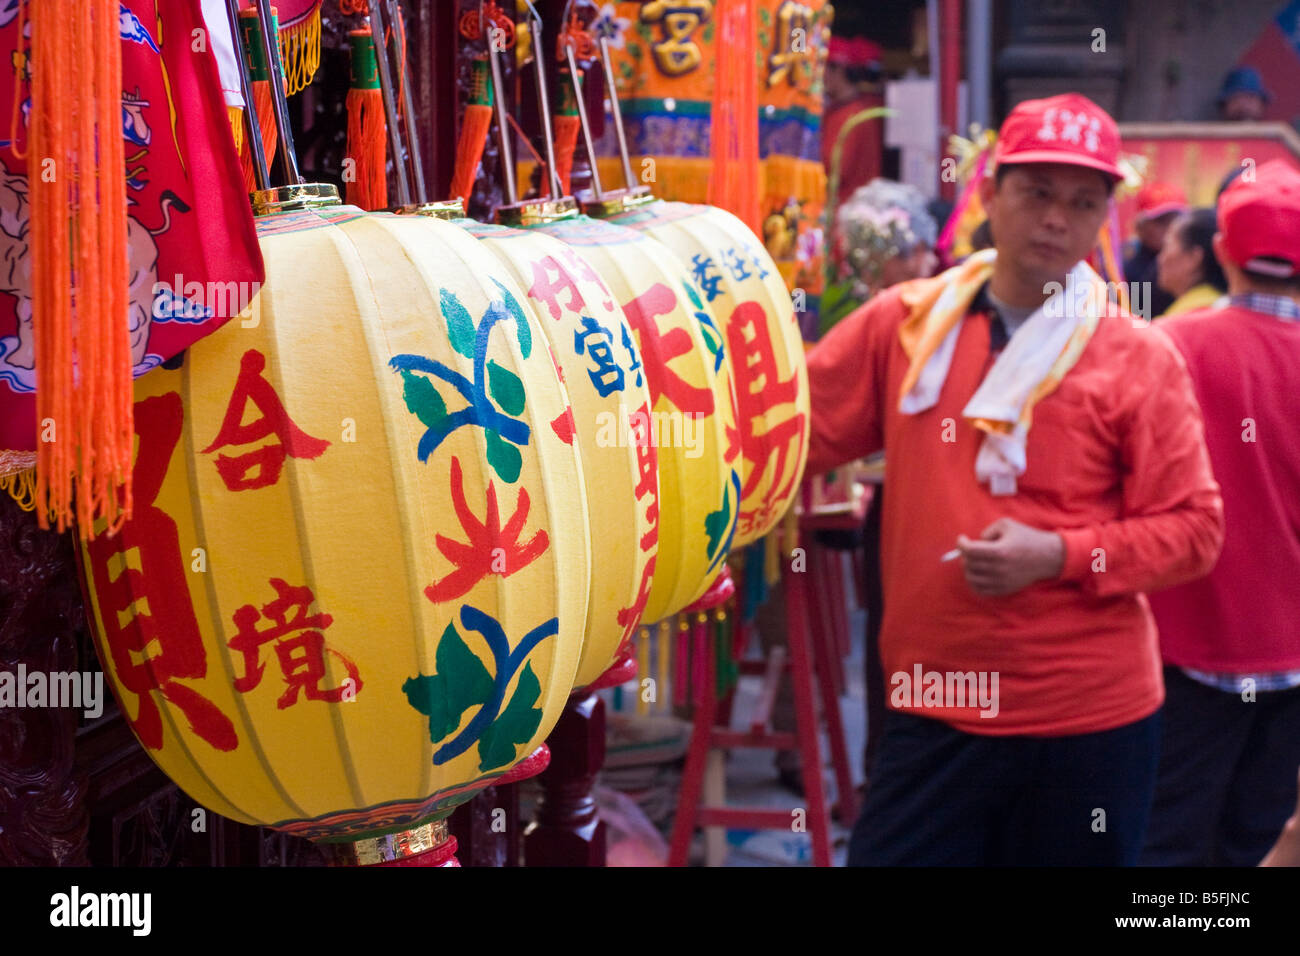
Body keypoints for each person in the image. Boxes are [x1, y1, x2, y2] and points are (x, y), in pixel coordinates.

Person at [806, 92, 1224, 866]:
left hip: (1087, 717)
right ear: (991, 193)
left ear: (1104, 218)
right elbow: (784, 429)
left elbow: (1195, 532)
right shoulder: (904, 325)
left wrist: (1059, 553)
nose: (1056, 219)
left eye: (1082, 201)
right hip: (935, 701)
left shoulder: (1138, 357)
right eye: (1036, 193)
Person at [1141, 159, 1300, 867]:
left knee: (1167, 839)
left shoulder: (1171, 347)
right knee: (1259, 838)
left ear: (1225, 251)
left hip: (1186, 644)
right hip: (1292, 656)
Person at [821, 36, 885, 203]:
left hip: (845, 213)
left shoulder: (852, 116)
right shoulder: (841, 111)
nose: (819, 76)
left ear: (838, 70)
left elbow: (835, 172)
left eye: (822, 68)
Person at [1124, 182, 1187, 318]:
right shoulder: (1126, 264)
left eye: (1176, 220)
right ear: (1141, 226)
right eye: (1161, 221)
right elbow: (1140, 314)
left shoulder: (1192, 258)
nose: (1171, 227)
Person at [1155, 208, 1227, 318]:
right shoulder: (1223, 306)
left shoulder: (1184, 318)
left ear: (1194, 258)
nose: (1160, 259)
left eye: (1167, 246)